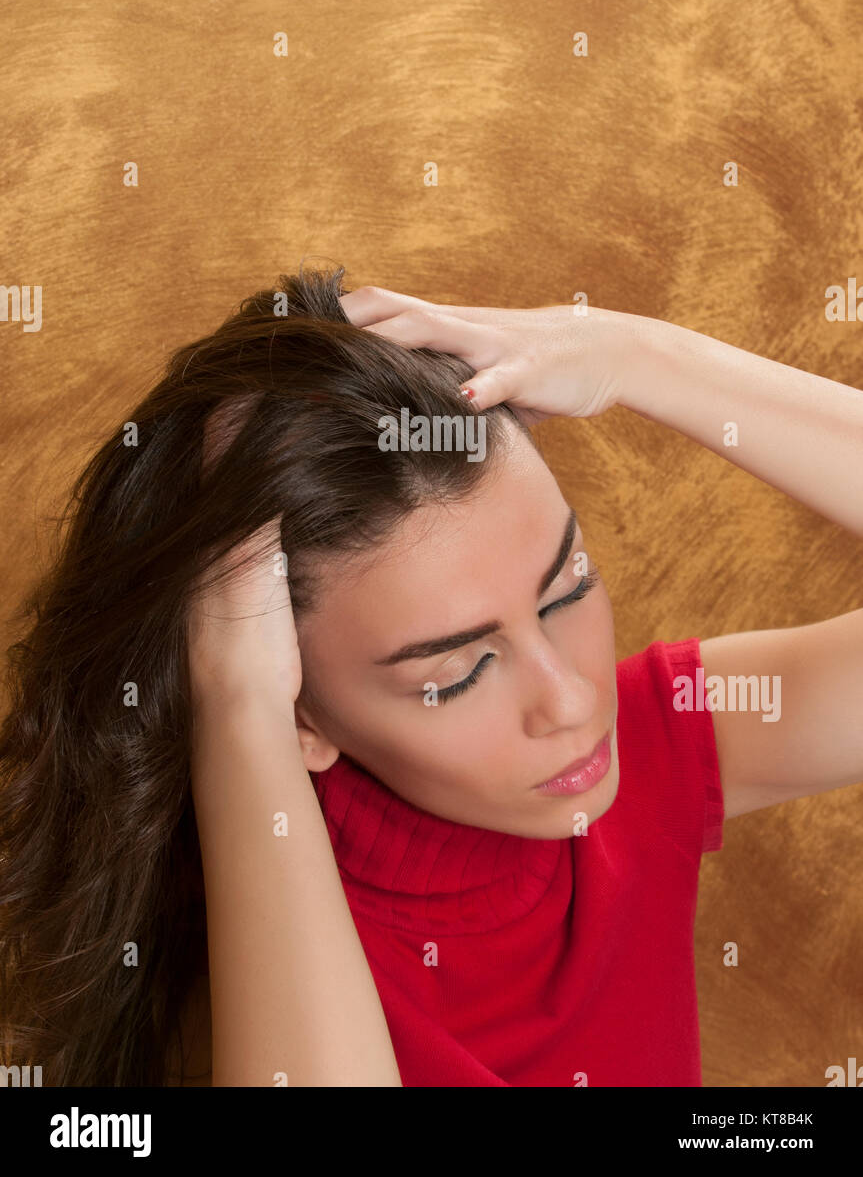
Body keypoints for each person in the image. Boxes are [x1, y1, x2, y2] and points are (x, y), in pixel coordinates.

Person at [1, 266, 861, 1087]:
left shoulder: (647, 751)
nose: (569, 700)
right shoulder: (235, 921)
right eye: (456, 675)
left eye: (567, 589)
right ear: (296, 708)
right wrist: (238, 711)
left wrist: (633, 355)